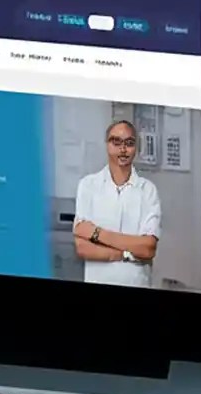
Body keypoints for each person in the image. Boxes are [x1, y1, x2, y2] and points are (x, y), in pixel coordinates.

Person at [72, 119, 162, 288]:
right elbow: (82, 247)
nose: (123, 149)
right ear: (107, 145)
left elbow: (148, 249)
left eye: (129, 143)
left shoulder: (148, 190)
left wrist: (95, 233)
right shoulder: (88, 185)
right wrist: (127, 253)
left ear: (136, 148)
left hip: (137, 283)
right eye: (116, 142)